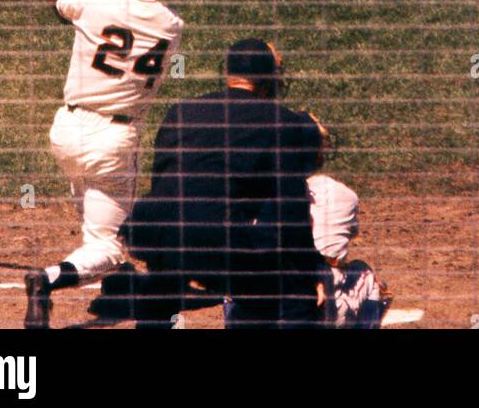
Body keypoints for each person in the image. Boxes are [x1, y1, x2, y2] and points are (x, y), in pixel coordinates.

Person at [91, 38, 324, 329]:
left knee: (164, 282)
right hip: (214, 238)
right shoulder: (283, 122)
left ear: (229, 73)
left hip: (152, 229)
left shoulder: (181, 110)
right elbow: (291, 209)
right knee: (296, 293)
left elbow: (163, 182)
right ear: (268, 79)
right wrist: (311, 270)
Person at [23, 0, 182, 329]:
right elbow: (116, 4)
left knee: (94, 214)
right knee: (110, 245)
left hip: (67, 129)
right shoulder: (172, 25)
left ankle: (116, 285)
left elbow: (61, 9)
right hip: (112, 140)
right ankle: (46, 280)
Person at [306, 118, 391, 328]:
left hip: (268, 299)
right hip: (326, 299)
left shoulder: (268, 191)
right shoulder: (345, 194)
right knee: (369, 279)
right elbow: (349, 235)